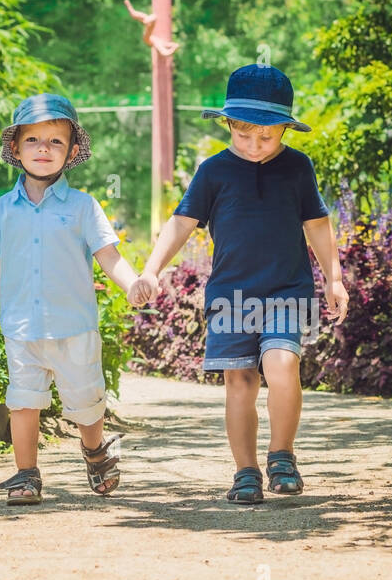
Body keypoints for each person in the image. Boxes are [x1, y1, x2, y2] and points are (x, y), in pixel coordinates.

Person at [129, 65, 349, 504]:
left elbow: (318, 224)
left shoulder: (298, 168)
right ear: (228, 124)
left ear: (286, 129)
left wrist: (335, 278)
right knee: (240, 383)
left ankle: (281, 455)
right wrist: (151, 269)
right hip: (230, 295)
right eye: (243, 135)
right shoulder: (213, 171)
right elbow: (181, 223)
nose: (253, 146)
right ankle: (245, 472)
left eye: (266, 137)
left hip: (288, 290)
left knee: (283, 363)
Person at [0, 93, 143, 506]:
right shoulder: (1, 210)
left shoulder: (84, 207)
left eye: (55, 142)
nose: (43, 149)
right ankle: (26, 474)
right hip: (21, 328)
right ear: (15, 148)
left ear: (72, 151)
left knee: (86, 403)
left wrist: (133, 283)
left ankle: (95, 450)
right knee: (22, 401)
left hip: (74, 327)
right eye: (33, 140)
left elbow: (109, 257)